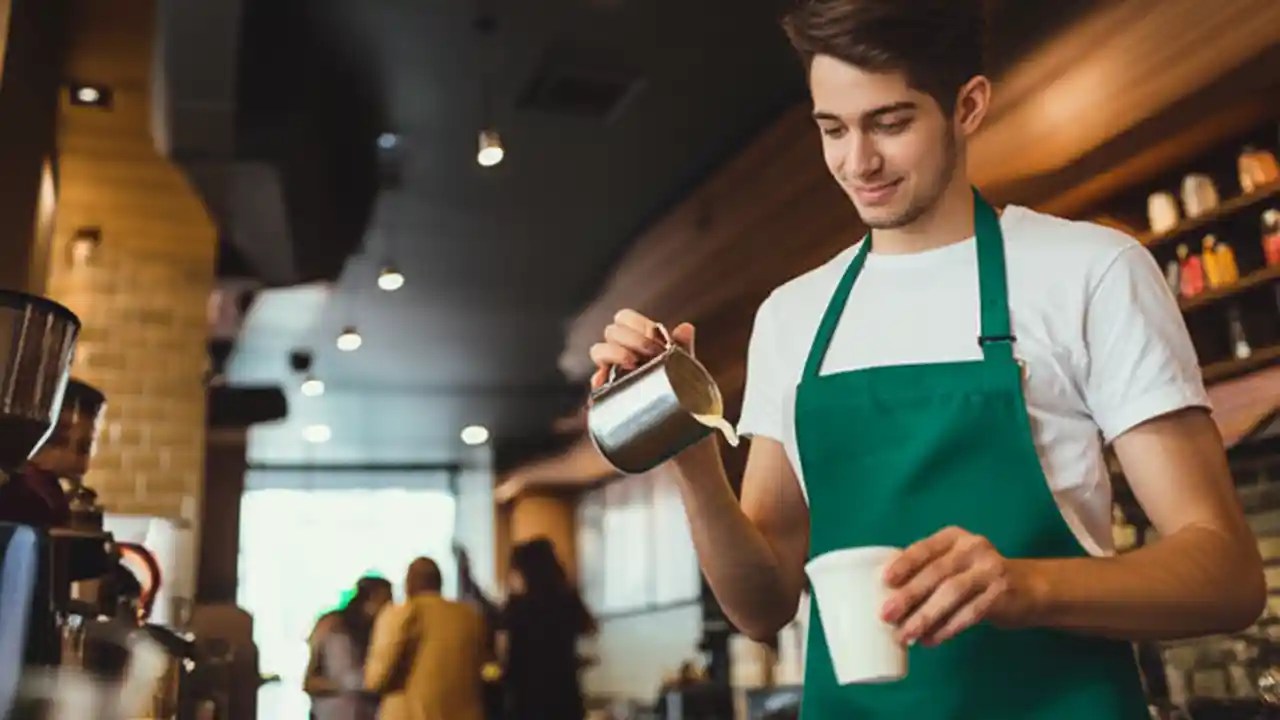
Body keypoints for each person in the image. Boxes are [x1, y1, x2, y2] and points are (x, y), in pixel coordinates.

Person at [586, 1, 1266, 717]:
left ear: (968, 106)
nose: (858, 162)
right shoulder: (794, 316)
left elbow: (1224, 573)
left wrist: (1025, 585)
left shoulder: (1091, 272)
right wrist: (688, 450)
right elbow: (763, 604)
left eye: (890, 122)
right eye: (832, 129)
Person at [458, 538, 596, 720]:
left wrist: (469, 580)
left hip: (527, 703)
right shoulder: (568, 601)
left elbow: (494, 617)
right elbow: (588, 628)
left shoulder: (519, 608)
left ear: (525, 572)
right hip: (565, 700)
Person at [365, 557, 489, 720]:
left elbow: (375, 680)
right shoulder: (471, 616)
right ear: (439, 583)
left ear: (408, 583)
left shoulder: (400, 614)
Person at [305, 576, 393, 720]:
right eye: (384, 601)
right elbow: (310, 682)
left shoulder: (385, 632)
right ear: (368, 600)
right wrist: (348, 684)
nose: (389, 608)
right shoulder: (333, 626)